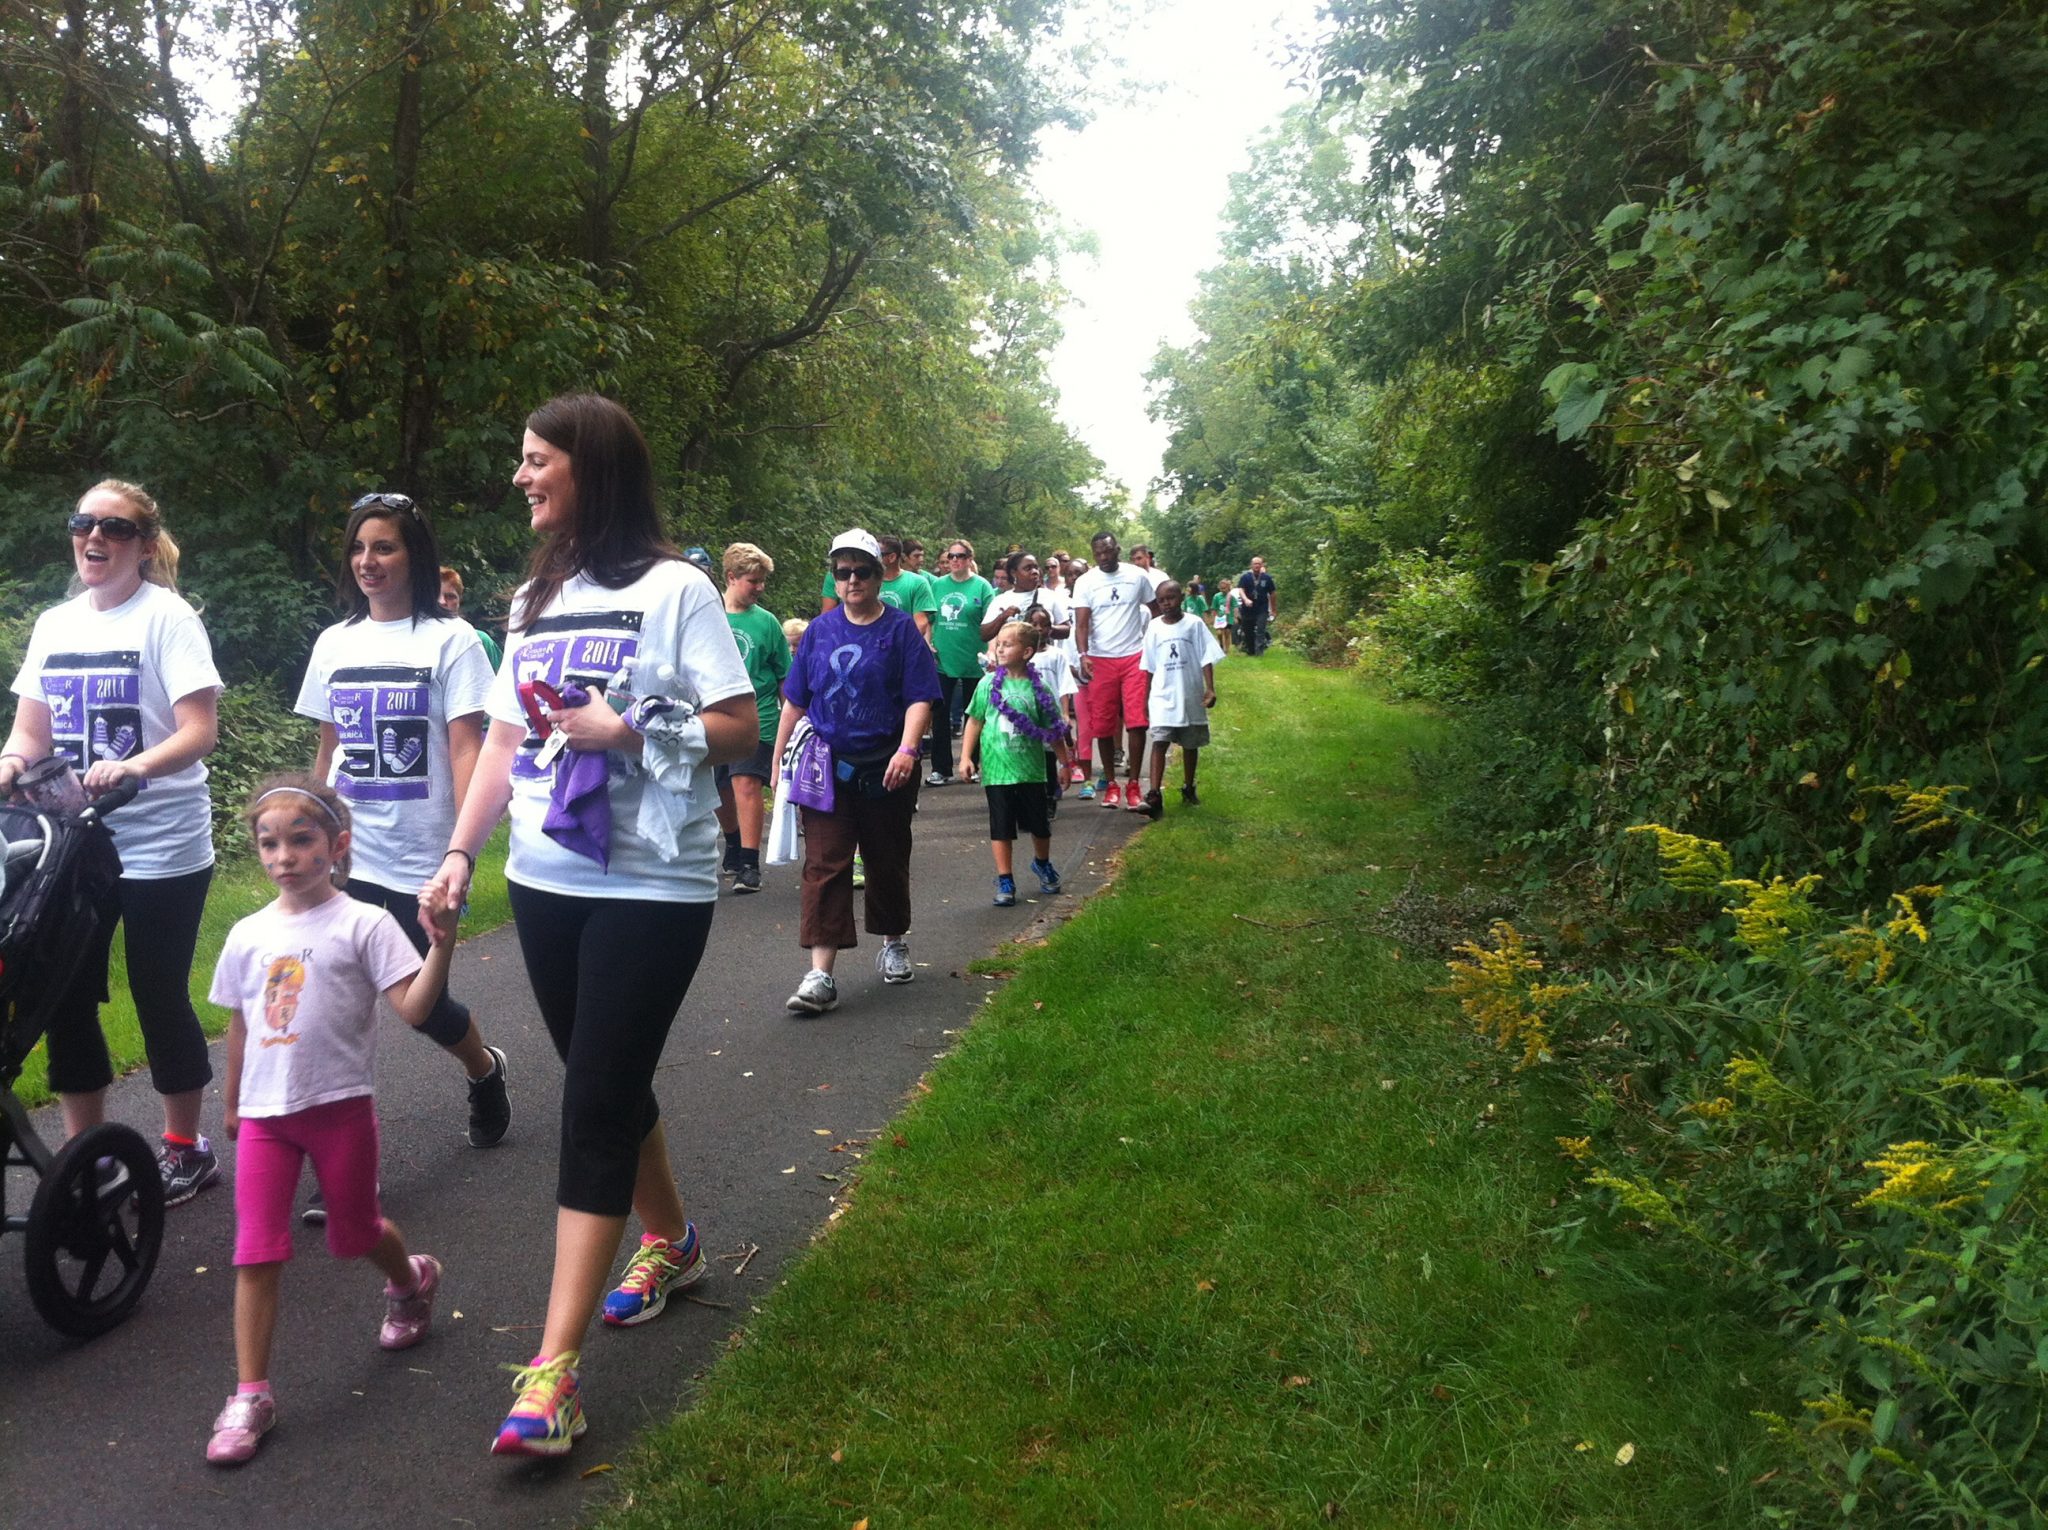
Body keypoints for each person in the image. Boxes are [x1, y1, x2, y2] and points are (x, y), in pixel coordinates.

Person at [421, 393, 758, 1458]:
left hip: (653, 883)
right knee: (601, 1082)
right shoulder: (532, 599)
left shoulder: (678, 589)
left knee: (596, 1101)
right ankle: (670, 1238)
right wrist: (460, 850)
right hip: (546, 874)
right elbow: (511, 741)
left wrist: (632, 725)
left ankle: (552, 1373)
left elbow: (740, 727)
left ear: (589, 470)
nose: (519, 477)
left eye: (535, 461)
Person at [202, 775, 457, 1466]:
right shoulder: (249, 933)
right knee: (256, 1248)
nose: (283, 855)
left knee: (354, 1234)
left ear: (338, 845)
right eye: (268, 843)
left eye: (300, 839)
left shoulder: (363, 924)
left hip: (340, 1108)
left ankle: (410, 1280)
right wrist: (230, 1102)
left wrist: (444, 944)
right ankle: (251, 1392)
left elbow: (414, 1009)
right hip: (266, 1116)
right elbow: (239, 1024)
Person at [0, 479, 224, 1204]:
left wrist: (135, 766)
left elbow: (199, 730)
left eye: (115, 528)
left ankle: (185, 1148)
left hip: (162, 841)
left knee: (158, 992)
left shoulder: (168, 619)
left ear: (145, 545)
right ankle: (85, 1155)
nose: (94, 537)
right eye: (83, 524)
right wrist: (9, 765)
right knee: (64, 994)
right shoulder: (56, 624)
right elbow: (31, 733)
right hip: (72, 843)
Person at [299, 494, 511, 1166]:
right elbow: (327, 753)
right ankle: (346, 1165)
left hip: (423, 853)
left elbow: (466, 751)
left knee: (422, 1008)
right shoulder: (335, 643)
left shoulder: (451, 641)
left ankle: (482, 1067)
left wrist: (461, 851)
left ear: (414, 556)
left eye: (384, 547)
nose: (369, 561)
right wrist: (315, 833)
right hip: (351, 854)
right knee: (337, 1008)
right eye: (359, 548)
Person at [772, 528, 941, 1015]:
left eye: (860, 571)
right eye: (841, 572)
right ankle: (820, 974)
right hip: (827, 766)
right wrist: (780, 761)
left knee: (887, 858)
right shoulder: (821, 632)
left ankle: (893, 941)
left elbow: (919, 697)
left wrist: (908, 750)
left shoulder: (900, 629)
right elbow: (795, 701)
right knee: (825, 864)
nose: (850, 581)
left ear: (878, 574)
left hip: (887, 765)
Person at [960, 620, 1073, 906]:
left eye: (1007, 644)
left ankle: (1042, 862)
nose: (999, 648)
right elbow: (974, 720)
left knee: (1039, 825)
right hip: (997, 771)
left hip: (1031, 771)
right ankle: (1005, 878)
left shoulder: (1040, 688)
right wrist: (965, 757)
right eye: (998, 643)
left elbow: (1054, 730)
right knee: (1001, 827)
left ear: (1026, 652)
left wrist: (1064, 764)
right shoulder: (988, 684)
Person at [715, 542, 791, 893]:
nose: (760, 587)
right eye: (753, 581)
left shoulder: (767, 623)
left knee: (746, 785)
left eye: (763, 581)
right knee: (719, 789)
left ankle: (749, 863)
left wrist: (791, 725)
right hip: (713, 715)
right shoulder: (709, 615)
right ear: (731, 577)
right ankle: (732, 844)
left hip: (757, 716)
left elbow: (783, 678)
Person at [1070, 531, 1161, 812]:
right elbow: (1082, 624)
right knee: (1104, 725)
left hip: (1134, 656)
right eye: (1099, 553)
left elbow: (1156, 612)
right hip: (1101, 659)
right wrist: (1084, 654)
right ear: (1094, 554)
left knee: (1136, 721)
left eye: (1109, 551)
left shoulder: (1137, 576)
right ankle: (1111, 784)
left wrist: (1155, 647)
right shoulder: (1086, 582)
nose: (1105, 557)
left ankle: (1133, 783)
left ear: (1117, 549)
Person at [1138, 580, 1224, 818]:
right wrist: (1145, 698)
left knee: (1190, 743)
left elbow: (1206, 656)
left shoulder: (1193, 624)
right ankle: (1154, 794)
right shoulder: (1154, 627)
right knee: (1159, 741)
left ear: (1181, 598)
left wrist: (1210, 688)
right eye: (1162, 600)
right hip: (1163, 695)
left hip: (1189, 693)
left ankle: (1188, 786)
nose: (1167, 603)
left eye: (1171, 598)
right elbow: (1149, 667)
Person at [928, 537, 994, 785]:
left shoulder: (982, 586)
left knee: (974, 714)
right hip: (943, 659)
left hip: (974, 660)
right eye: (951, 556)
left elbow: (991, 623)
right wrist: (927, 641)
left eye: (960, 556)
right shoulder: (937, 585)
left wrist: (991, 652)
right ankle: (941, 769)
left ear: (969, 559)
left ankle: (972, 765)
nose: (954, 561)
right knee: (940, 714)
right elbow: (927, 616)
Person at [875, 535, 938, 641]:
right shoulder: (869, 582)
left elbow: (921, 623)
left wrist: (901, 646)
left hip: (903, 646)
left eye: (877, 555)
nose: (873, 559)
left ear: (892, 557)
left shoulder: (918, 582)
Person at [440, 566, 502, 669]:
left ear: (459, 600)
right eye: (435, 596)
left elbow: (504, 682)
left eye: (450, 596)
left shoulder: (480, 640)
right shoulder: (412, 640)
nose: (442, 602)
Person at [1237, 555, 1278, 656]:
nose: (1257, 565)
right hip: (1248, 608)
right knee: (1248, 630)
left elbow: (1272, 593)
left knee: (1261, 629)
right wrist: (1246, 599)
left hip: (1262, 607)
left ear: (1262, 565)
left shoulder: (1267, 578)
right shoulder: (1245, 577)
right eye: (1255, 564)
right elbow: (1241, 590)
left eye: (1259, 564)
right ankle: (1251, 650)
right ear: (1251, 565)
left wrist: (1273, 609)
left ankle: (1259, 651)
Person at [1213, 574, 1236, 654]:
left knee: (1227, 633)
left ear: (1228, 587)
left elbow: (1235, 606)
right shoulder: (1216, 596)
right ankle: (1221, 644)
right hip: (1220, 618)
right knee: (1219, 633)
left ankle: (1227, 650)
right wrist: (1215, 617)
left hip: (1228, 618)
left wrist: (1235, 617)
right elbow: (1214, 608)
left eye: (1224, 588)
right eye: (1221, 588)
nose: (1223, 590)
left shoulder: (1231, 596)